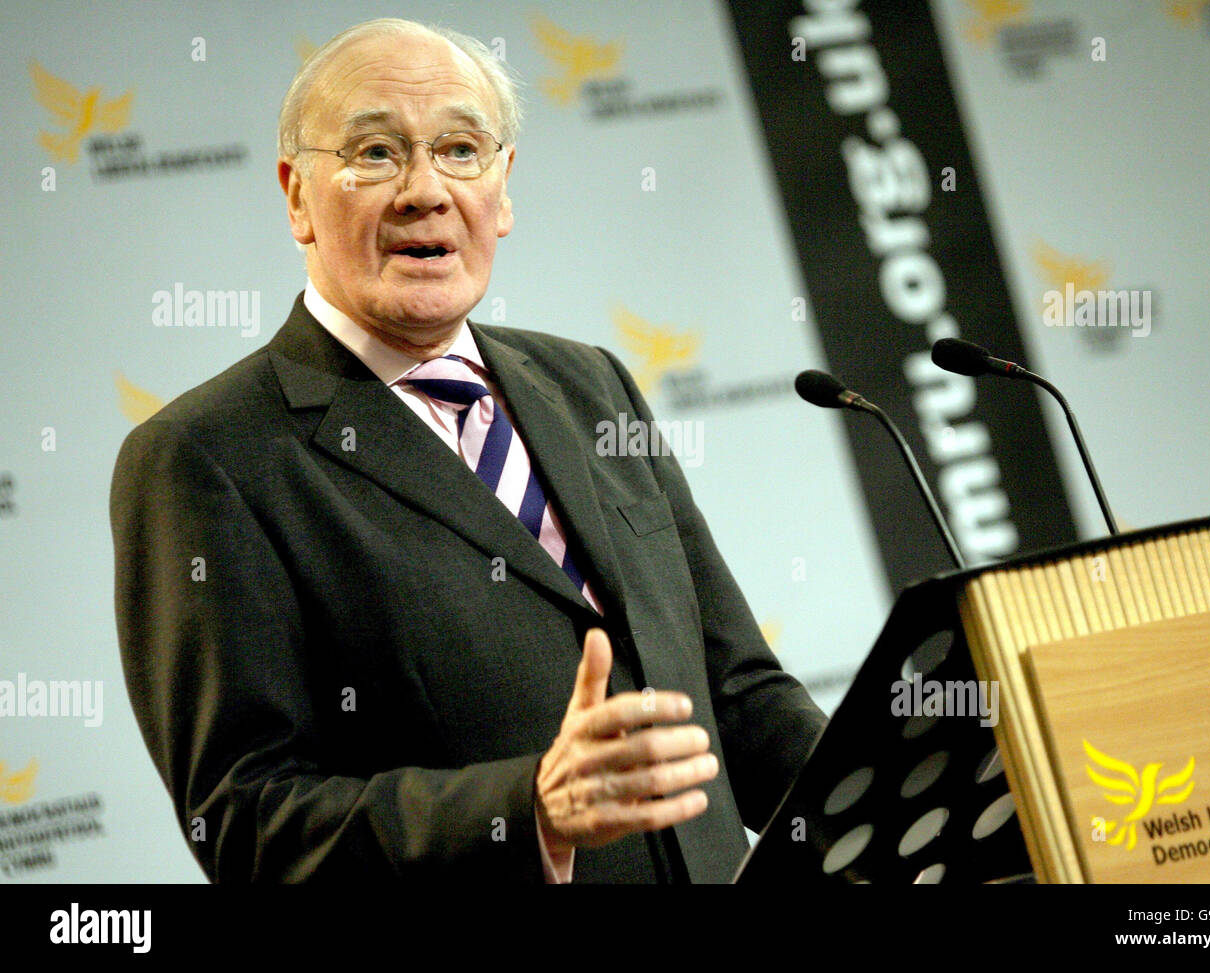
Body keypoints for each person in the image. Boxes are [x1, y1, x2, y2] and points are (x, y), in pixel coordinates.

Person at [110, 17, 826, 884]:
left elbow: (738, 690)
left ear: (505, 186)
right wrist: (531, 810)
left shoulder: (589, 381)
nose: (424, 190)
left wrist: (908, 795)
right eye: (375, 153)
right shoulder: (205, 456)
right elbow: (245, 821)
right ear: (297, 195)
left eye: (459, 148)